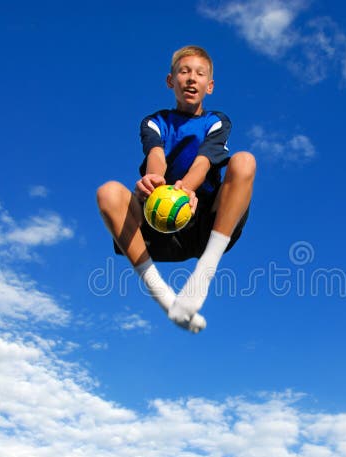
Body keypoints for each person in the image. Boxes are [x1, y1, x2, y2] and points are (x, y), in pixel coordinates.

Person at [96, 45, 255, 333]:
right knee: (107, 192)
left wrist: (184, 191)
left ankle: (205, 270)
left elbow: (203, 163)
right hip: (159, 227)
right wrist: (155, 182)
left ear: (210, 86)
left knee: (245, 162)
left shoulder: (217, 121)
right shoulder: (154, 122)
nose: (192, 78)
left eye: (200, 74)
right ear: (171, 81)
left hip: (205, 224)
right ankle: (163, 295)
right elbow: (155, 156)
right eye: (184, 72)